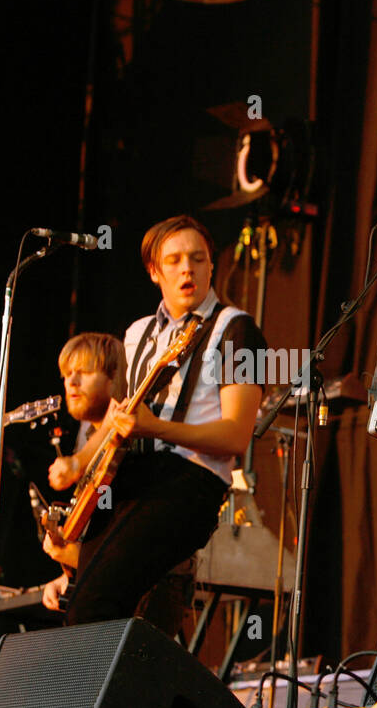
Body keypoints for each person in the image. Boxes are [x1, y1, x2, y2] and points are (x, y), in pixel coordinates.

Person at [45, 215, 266, 637]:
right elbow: (119, 419)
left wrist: (158, 429)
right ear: (154, 271)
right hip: (127, 477)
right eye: (176, 260)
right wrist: (79, 463)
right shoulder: (137, 334)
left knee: (94, 606)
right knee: (84, 606)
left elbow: (237, 435)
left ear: (211, 267)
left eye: (198, 259)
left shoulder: (238, 329)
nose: (188, 269)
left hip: (188, 481)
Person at [37, 332, 126, 609]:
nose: (71, 383)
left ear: (114, 378)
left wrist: (78, 558)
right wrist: (67, 575)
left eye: (84, 372)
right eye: (66, 375)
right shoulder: (86, 435)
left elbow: (127, 551)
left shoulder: (130, 444)